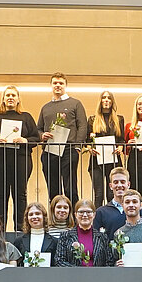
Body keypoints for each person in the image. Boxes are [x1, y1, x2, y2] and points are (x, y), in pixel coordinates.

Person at [0, 85, 39, 230]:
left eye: (13, 95)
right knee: (1, 195)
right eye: (7, 95)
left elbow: (36, 138)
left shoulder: (26, 117)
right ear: (3, 99)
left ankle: (21, 229)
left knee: (20, 194)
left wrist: (25, 140)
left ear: (18, 99)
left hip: (21, 160)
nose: (10, 98)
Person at [38, 72, 88, 202]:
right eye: (55, 83)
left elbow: (82, 125)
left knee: (70, 188)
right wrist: (42, 135)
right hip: (49, 150)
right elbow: (38, 129)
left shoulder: (75, 103)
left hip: (69, 149)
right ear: (51, 85)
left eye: (61, 83)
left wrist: (77, 146)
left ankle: (73, 220)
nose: (58, 85)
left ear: (66, 85)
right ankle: (56, 220)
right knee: (53, 190)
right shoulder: (45, 107)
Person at [86, 91, 125, 207]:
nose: (106, 100)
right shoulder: (92, 119)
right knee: (98, 194)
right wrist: (89, 148)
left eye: (109, 98)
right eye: (104, 98)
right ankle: (97, 221)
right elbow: (87, 140)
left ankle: (112, 219)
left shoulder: (119, 119)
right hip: (96, 161)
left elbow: (121, 139)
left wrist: (120, 147)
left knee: (111, 193)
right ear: (100, 101)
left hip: (113, 160)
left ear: (112, 101)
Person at [56, 199, 114, 267]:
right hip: (73, 277)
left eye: (88, 212)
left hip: (98, 276)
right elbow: (59, 261)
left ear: (94, 215)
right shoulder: (65, 236)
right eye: (81, 212)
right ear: (75, 215)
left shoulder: (103, 237)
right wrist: (80, 273)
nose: (85, 215)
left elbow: (109, 261)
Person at [91, 167, 131, 236]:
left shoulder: (140, 210)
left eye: (122, 182)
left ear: (128, 184)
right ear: (110, 186)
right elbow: (96, 238)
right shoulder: (101, 212)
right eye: (115, 182)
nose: (119, 185)